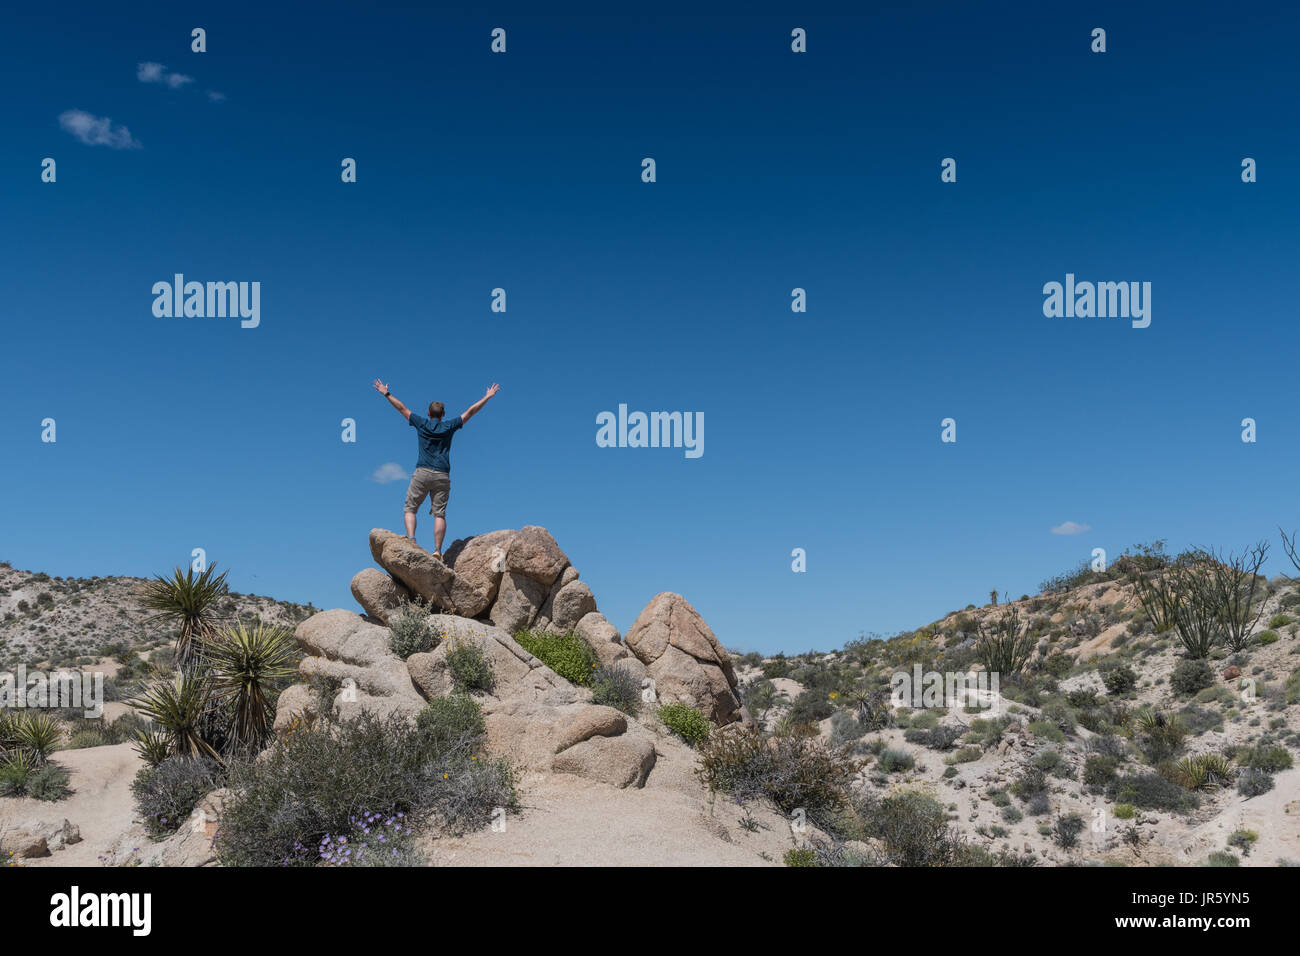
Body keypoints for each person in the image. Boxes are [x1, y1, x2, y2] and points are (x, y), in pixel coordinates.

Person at [371, 379, 500, 559]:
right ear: (443, 414)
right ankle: (438, 550)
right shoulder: (449, 426)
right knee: (439, 514)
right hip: (442, 474)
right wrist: (487, 397)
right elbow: (470, 412)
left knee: (410, 508)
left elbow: (402, 408)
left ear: (428, 413)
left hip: (422, 471)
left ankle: (411, 541)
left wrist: (386, 393)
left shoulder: (421, 423)